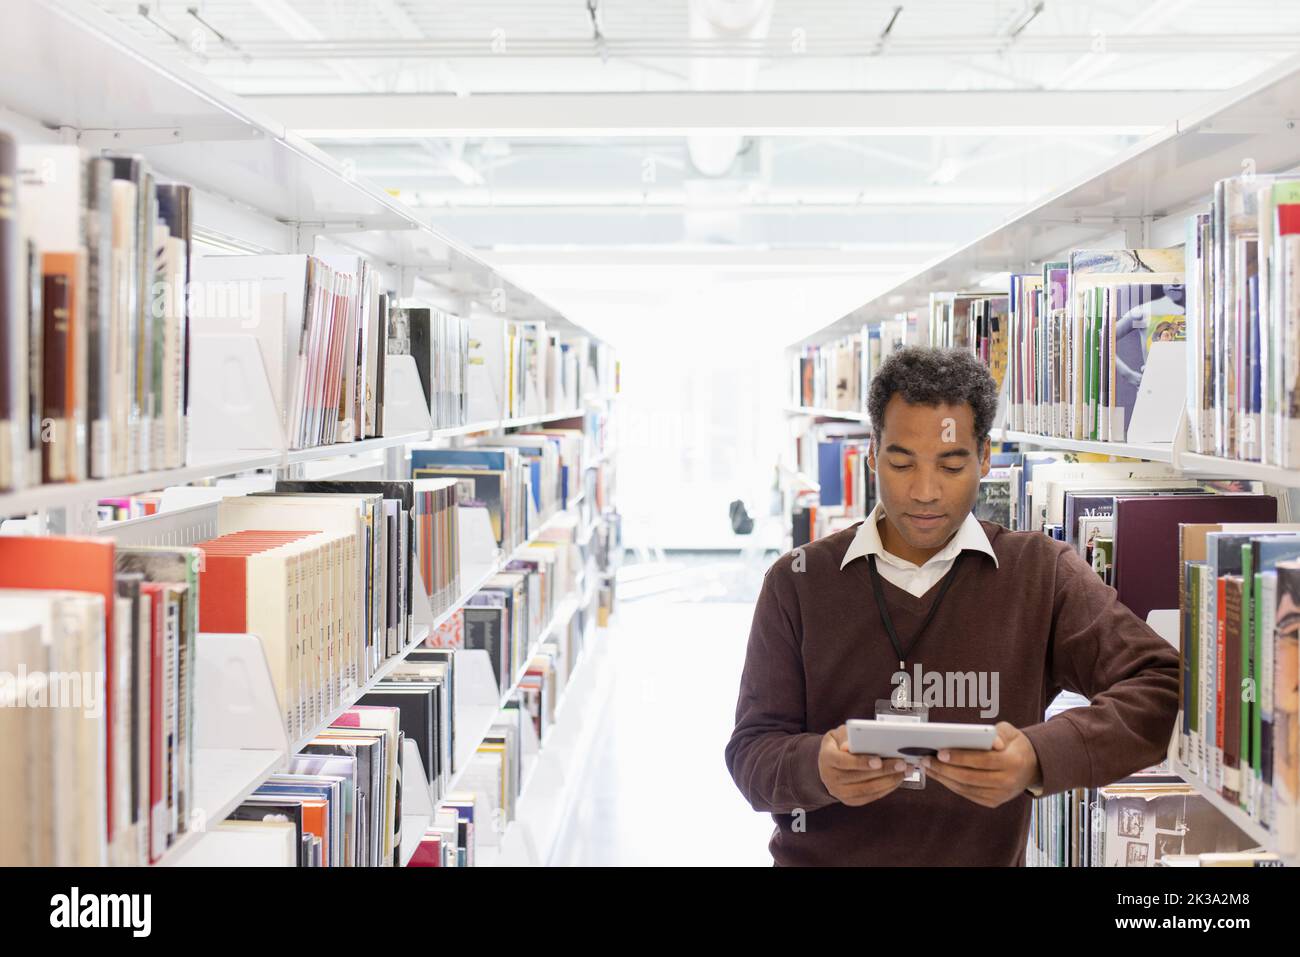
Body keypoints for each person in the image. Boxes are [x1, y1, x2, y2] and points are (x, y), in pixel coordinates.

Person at [725, 346, 1179, 866]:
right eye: (900, 463)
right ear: (871, 452)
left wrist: (1037, 756)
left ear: (985, 457)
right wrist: (818, 768)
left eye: (952, 463)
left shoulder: (1041, 573)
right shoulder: (797, 582)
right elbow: (751, 754)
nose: (924, 491)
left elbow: (1161, 685)